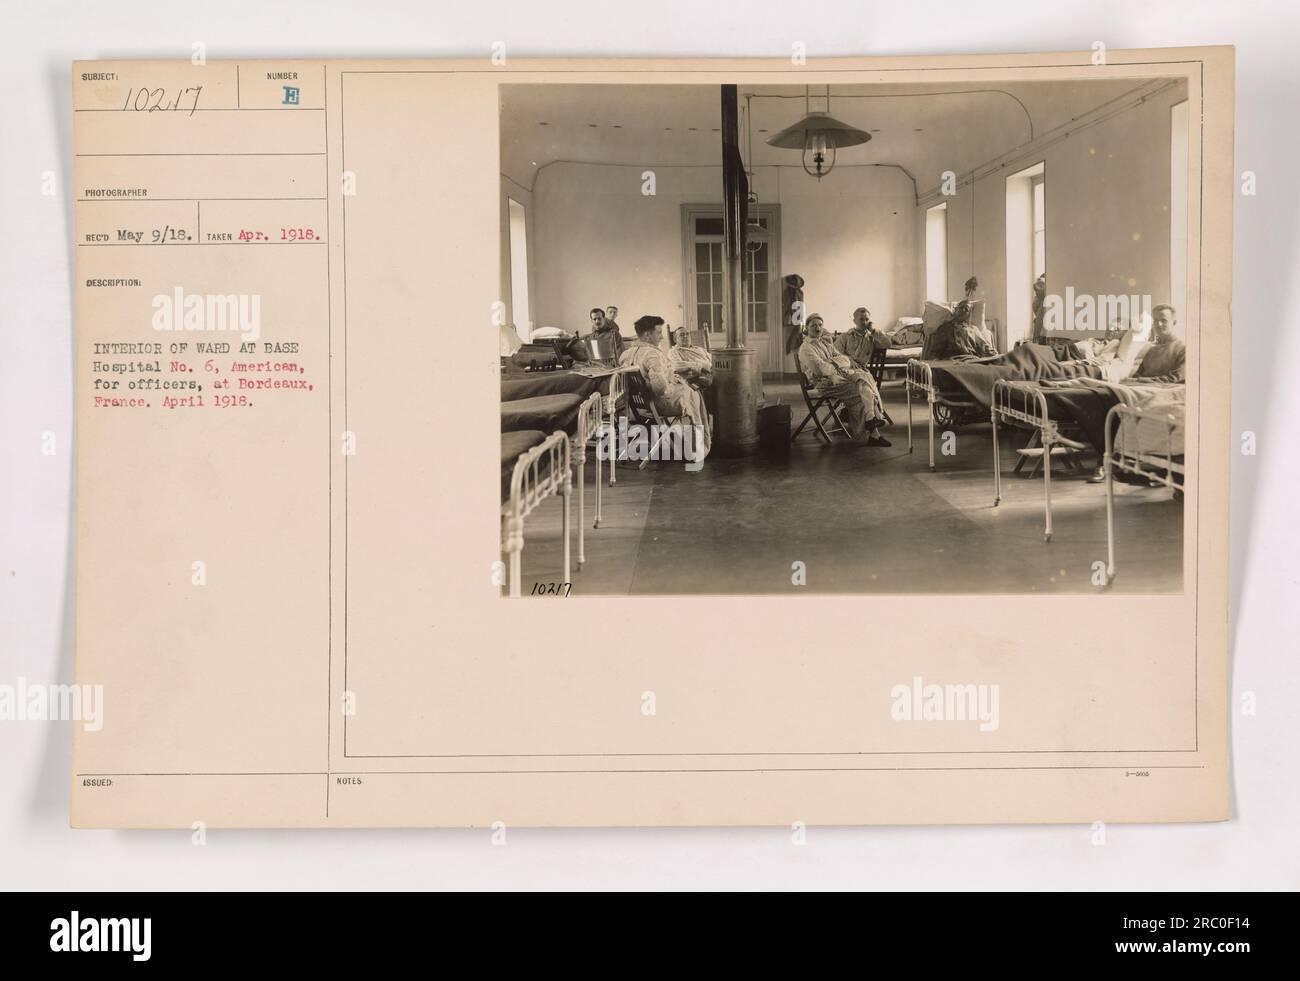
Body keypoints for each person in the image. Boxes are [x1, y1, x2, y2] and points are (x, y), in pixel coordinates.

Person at [619, 315, 712, 461]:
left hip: (639, 406)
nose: (662, 337)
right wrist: (675, 383)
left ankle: (695, 443)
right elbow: (661, 389)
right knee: (693, 393)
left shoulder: (626, 354)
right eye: (659, 333)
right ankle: (698, 449)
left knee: (690, 391)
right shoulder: (652, 354)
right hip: (658, 404)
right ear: (647, 335)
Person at [797, 312, 890, 446]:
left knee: (864, 379)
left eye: (820, 325)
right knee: (862, 390)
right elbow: (821, 370)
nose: (817, 328)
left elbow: (846, 360)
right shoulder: (806, 348)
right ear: (807, 328)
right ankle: (872, 431)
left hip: (839, 377)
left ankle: (871, 422)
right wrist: (835, 363)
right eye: (813, 326)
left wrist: (831, 362)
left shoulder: (825, 343)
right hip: (824, 383)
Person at [1128, 304, 1185, 383]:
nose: (1159, 324)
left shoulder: (1183, 348)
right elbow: (1138, 375)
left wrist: (1141, 380)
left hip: (1164, 388)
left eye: (1164, 320)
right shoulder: (1151, 349)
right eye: (1155, 320)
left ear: (1174, 322)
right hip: (1141, 386)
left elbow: (1176, 378)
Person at [833, 306, 893, 371]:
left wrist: (873, 330)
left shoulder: (871, 338)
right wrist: (849, 360)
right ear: (854, 321)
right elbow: (835, 353)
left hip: (861, 370)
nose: (864, 322)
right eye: (861, 319)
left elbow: (888, 344)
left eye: (867, 320)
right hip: (844, 369)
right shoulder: (845, 336)